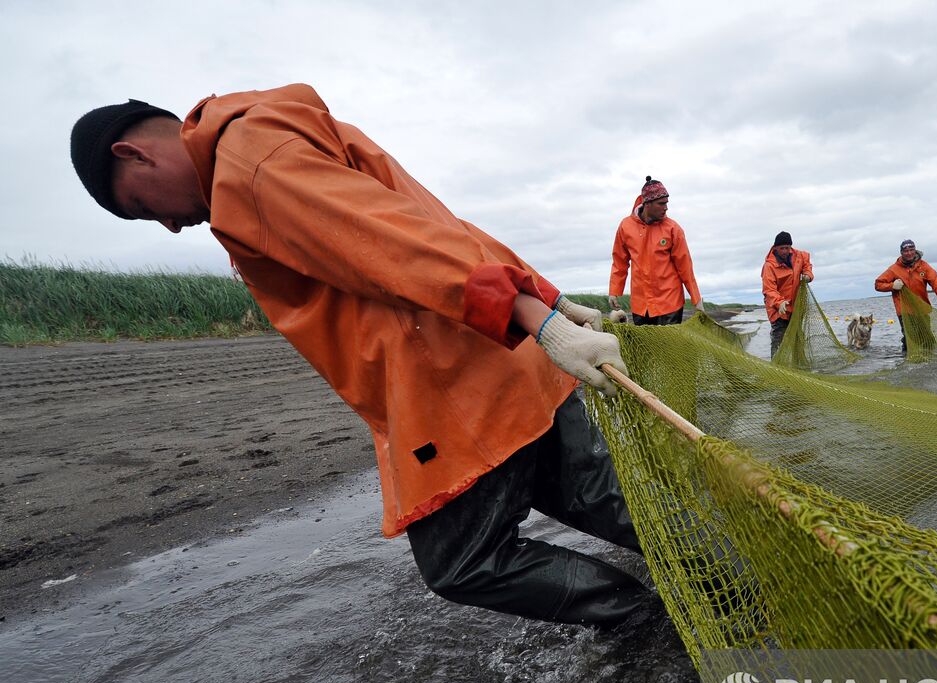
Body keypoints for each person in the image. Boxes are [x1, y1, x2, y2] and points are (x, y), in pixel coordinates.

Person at [69, 85, 653, 629]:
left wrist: (541, 318)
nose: (170, 226)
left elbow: (394, 242)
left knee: (463, 562)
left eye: (143, 207)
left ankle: (641, 618)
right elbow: (438, 225)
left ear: (133, 154)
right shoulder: (269, 135)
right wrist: (548, 301)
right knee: (607, 501)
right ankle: (707, 585)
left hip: (452, 385)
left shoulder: (245, 167)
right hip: (506, 360)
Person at [608, 176, 703, 325]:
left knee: (669, 341)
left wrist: (696, 299)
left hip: (670, 303)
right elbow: (619, 262)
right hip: (640, 305)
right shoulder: (625, 226)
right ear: (647, 203)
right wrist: (614, 291)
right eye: (661, 203)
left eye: (666, 203)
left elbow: (685, 267)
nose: (666, 207)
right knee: (644, 341)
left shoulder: (673, 229)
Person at [874, 239, 937, 354]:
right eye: (906, 250)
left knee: (927, 339)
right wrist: (892, 286)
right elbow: (878, 284)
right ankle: (907, 360)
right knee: (910, 339)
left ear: (915, 250)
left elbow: (936, 282)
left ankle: (930, 360)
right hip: (905, 312)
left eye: (911, 250)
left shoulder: (924, 266)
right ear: (901, 252)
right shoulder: (894, 269)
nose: (909, 253)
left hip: (922, 309)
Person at [761, 230, 814, 357]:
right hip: (777, 308)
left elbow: (807, 265)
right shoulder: (769, 266)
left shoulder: (799, 256)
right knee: (779, 339)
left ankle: (799, 362)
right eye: (782, 248)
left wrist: (808, 275)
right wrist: (779, 302)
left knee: (797, 337)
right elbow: (769, 289)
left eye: (787, 248)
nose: (785, 251)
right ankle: (776, 365)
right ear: (776, 248)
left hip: (795, 307)